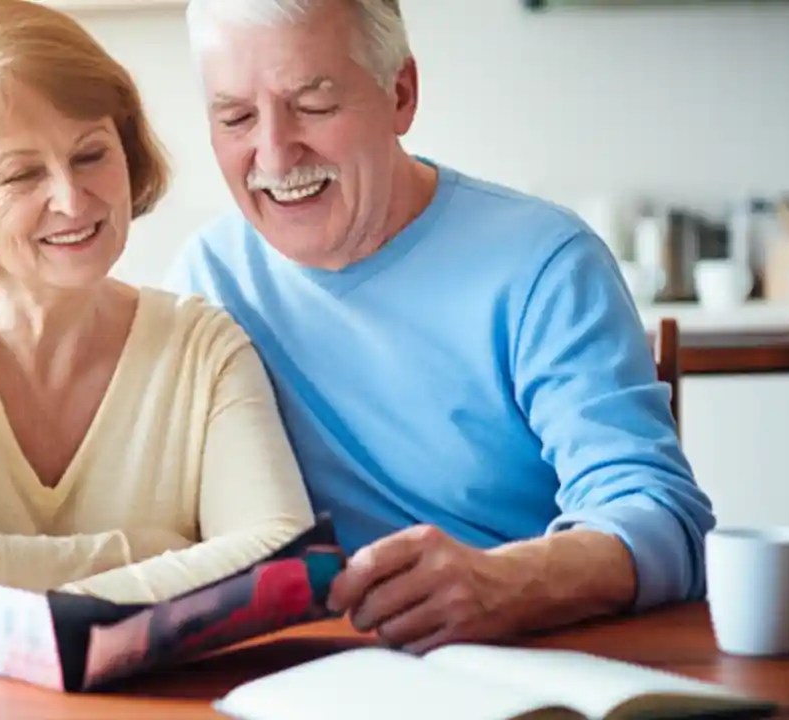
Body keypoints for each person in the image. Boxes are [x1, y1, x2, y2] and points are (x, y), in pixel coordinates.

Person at [167, 0, 715, 652]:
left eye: (313, 106)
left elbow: (667, 522)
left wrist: (508, 582)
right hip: (303, 675)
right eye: (236, 118)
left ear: (400, 94)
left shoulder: (542, 262)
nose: (277, 156)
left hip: (523, 667)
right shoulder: (206, 280)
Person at [0, 0, 314, 625]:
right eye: (22, 174)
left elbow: (277, 559)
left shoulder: (203, 347)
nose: (71, 198)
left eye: (90, 155)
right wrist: (154, 554)